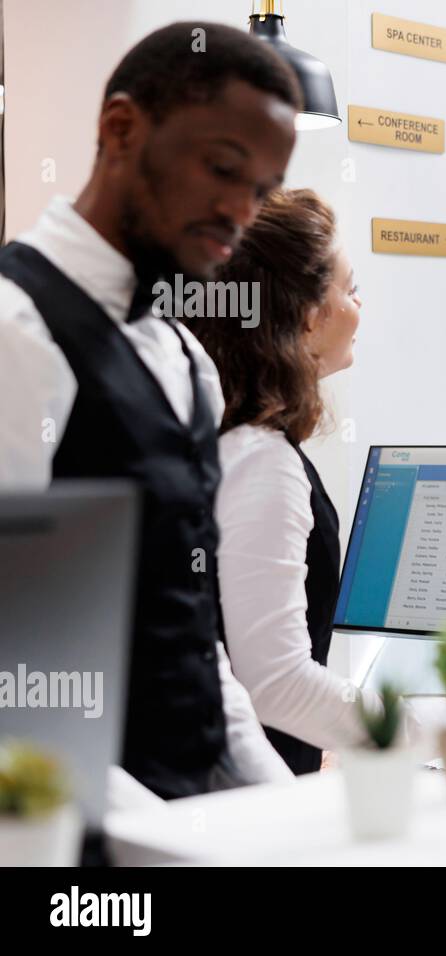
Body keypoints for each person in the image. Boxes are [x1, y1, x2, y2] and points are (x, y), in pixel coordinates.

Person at [0, 23, 302, 798]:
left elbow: (194, 642)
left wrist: (272, 807)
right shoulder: (15, 332)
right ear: (122, 128)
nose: (240, 209)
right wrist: (163, 834)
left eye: (262, 191)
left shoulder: (183, 359)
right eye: (222, 168)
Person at [189, 189, 446, 774]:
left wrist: (325, 752)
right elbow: (275, 680)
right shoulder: (261, 461)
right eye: (349, 287)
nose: (360, 305)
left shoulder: (223, 436)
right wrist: (435, 723)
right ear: (310, 314)